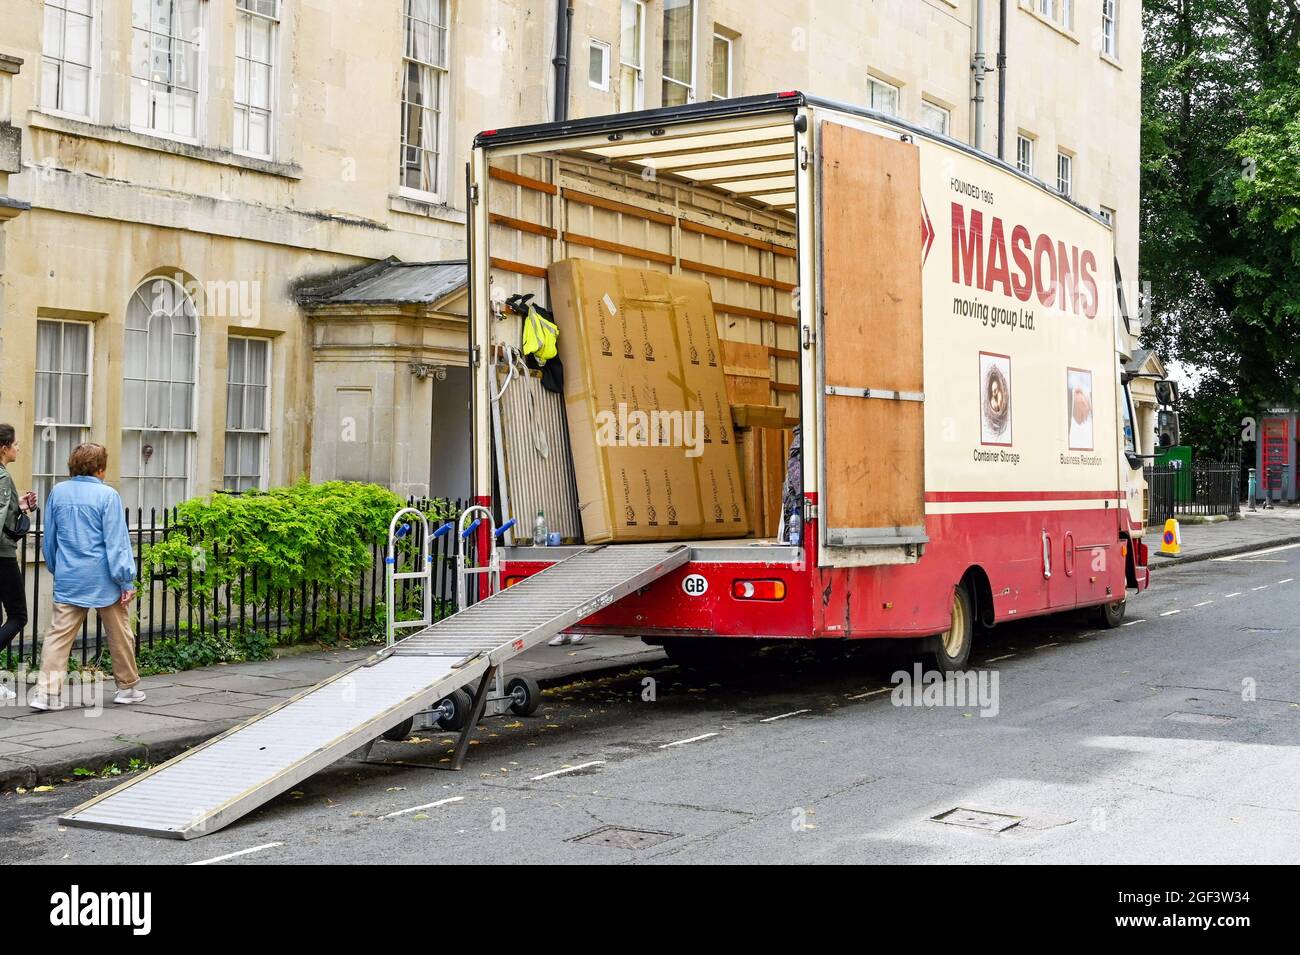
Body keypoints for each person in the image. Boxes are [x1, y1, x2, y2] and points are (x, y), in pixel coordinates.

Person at [32, 443, 144, 711]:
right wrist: (126, 580)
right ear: (101, 468)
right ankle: (127, 688)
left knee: (58, 636)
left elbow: (50, 541)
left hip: (70, 576)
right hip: (104, 578)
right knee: (120, 634)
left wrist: (59, 569)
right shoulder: (107, 496)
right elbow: (116, 543)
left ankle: (46, 694)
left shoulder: (58, 493)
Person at [0, 424, 37, 703]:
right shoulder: (2, 477)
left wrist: (20, 507)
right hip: (1, 556)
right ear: (4, 448)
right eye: (15, 443)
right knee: (18, 616)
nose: (18, 447)